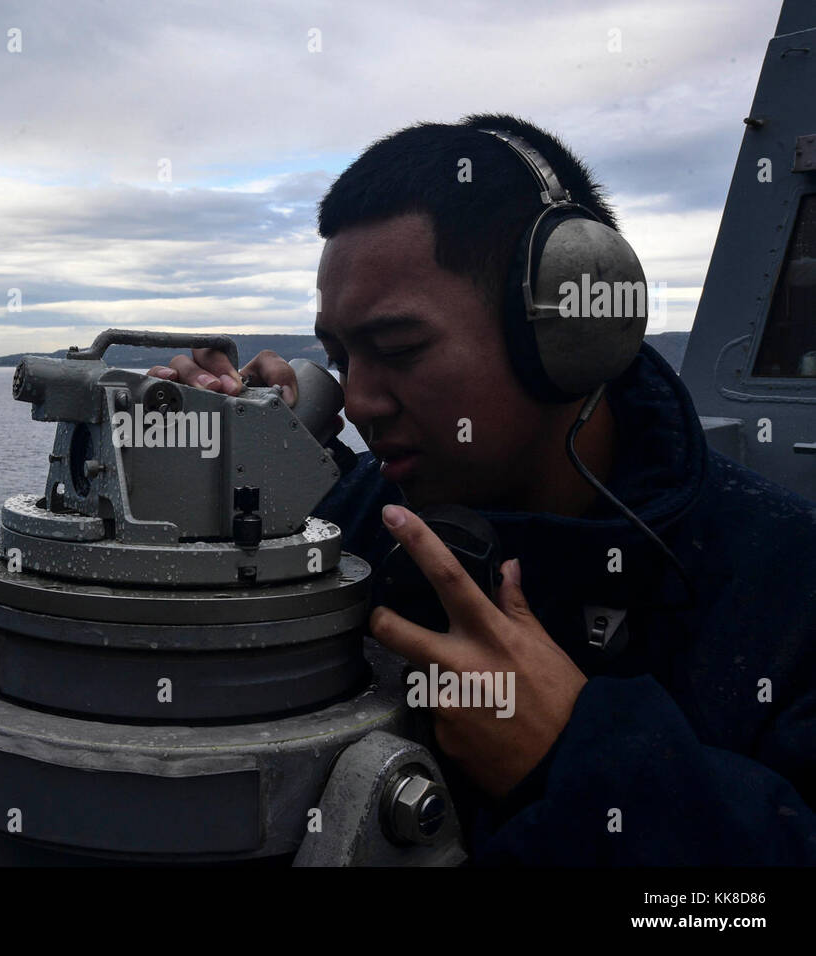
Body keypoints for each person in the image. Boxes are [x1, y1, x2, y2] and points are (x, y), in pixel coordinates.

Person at [148, 114, 816, 865]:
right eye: (339, 356)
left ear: (567, 329)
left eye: (398, 349)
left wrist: (580, 765)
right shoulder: (362, 518)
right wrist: (217, 461)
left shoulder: (788, 593)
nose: (362, 401)